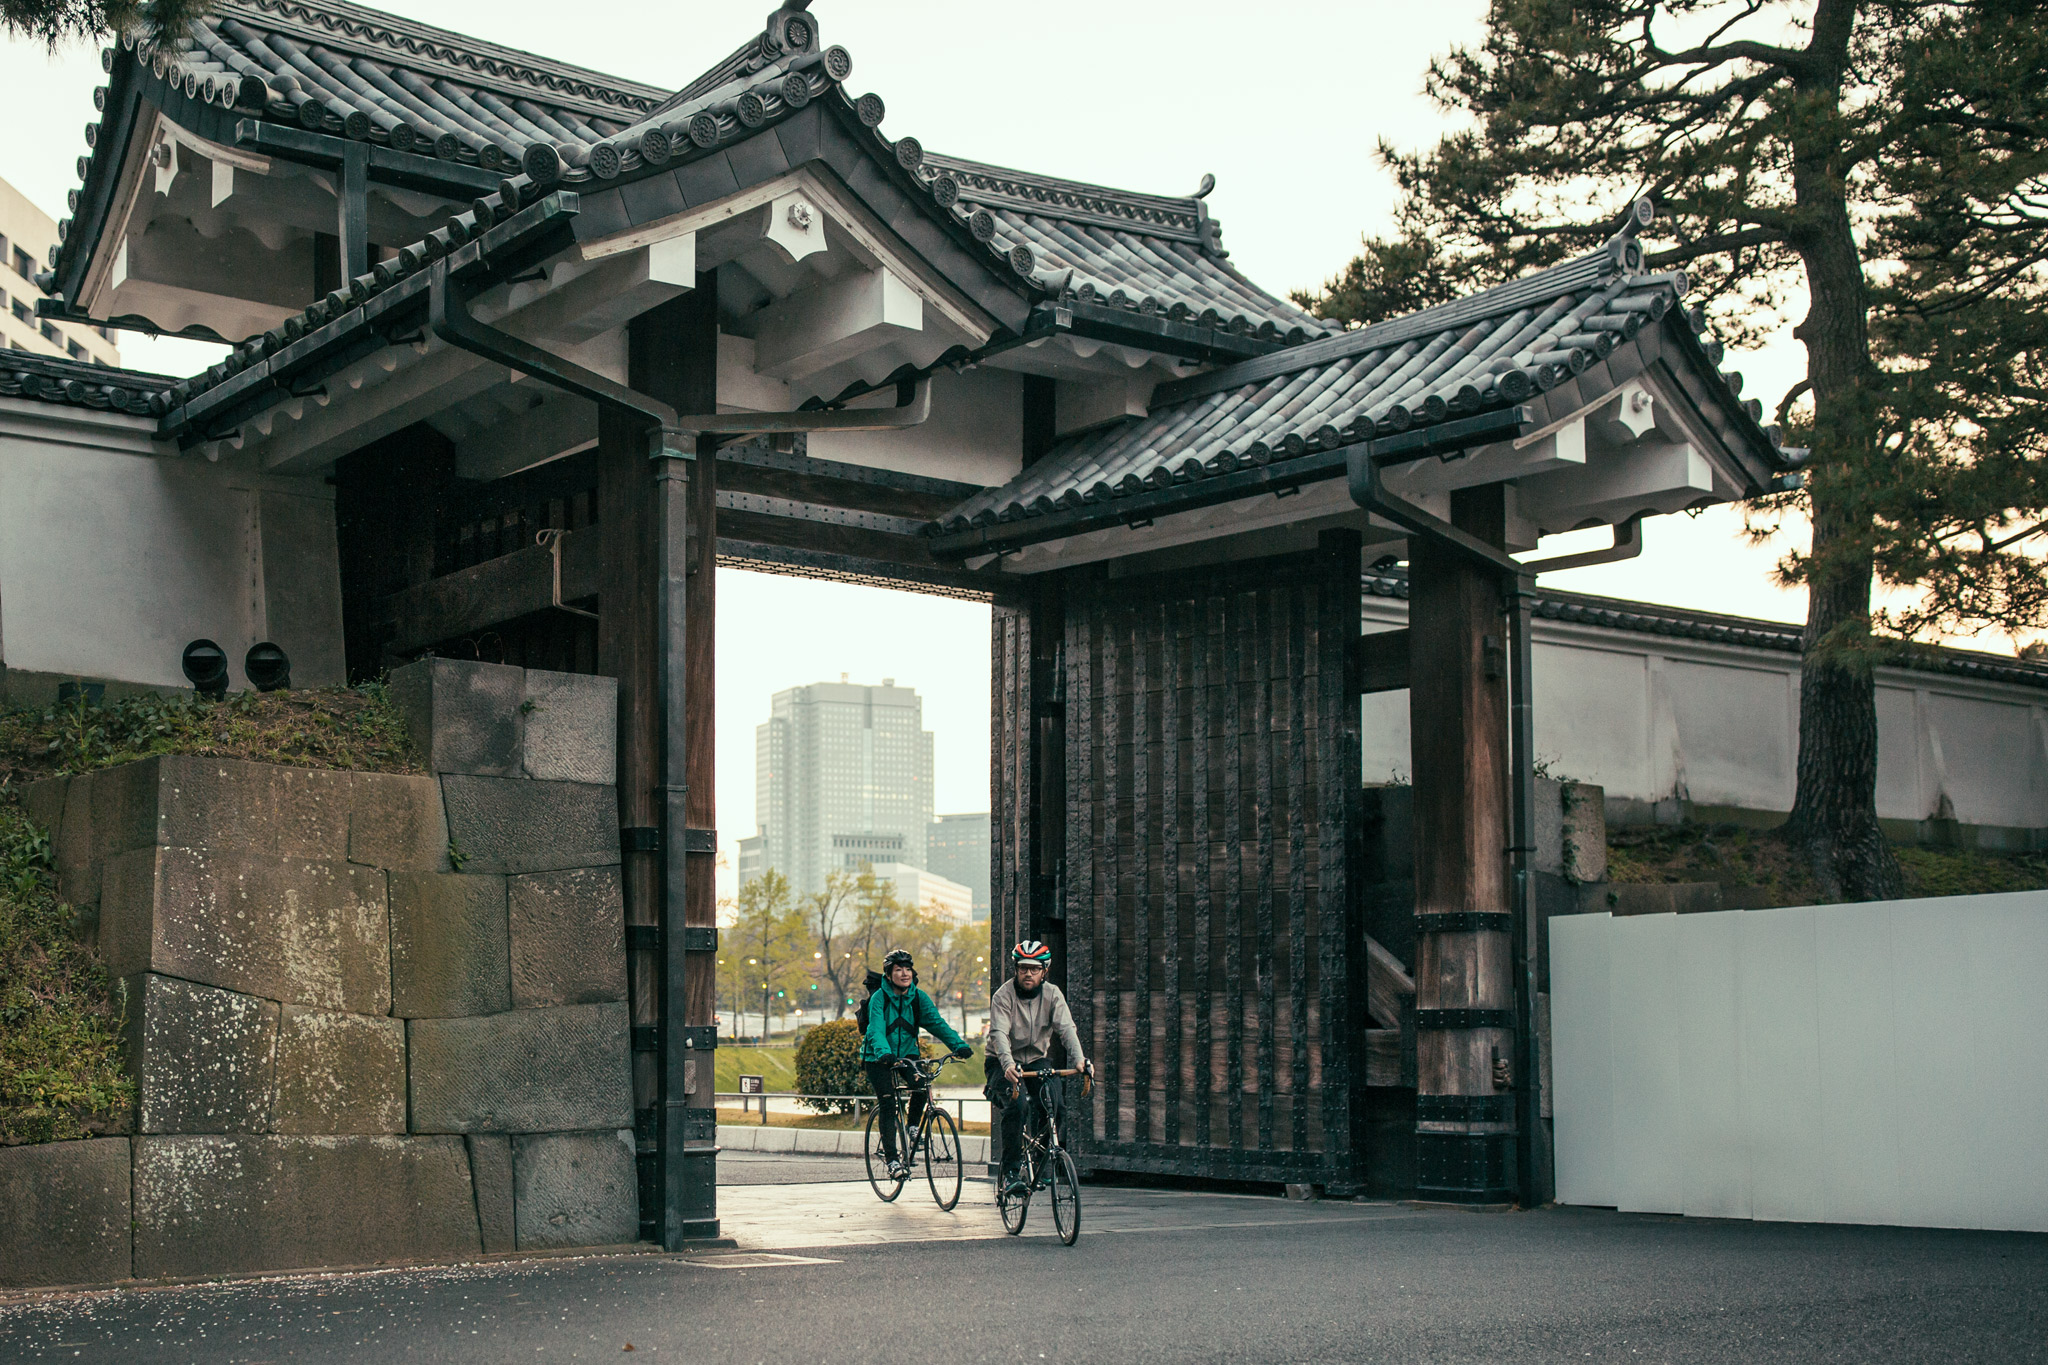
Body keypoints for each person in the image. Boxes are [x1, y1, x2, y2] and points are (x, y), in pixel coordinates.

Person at [985, 939, 1089, 1196]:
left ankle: (1041, 1161)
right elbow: (999, 1034)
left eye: (1034, 969)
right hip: (1001, 1061)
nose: (1028, 973)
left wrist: (1079, 1060)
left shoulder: (1052, 994)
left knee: (1056, 1105)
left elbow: (1066, 1029)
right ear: (1016, 969)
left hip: (1035, 1060)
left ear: (1044, 971)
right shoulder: (1003, 996)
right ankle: (1011, 1173)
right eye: (1023, 968)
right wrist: (1008, 1065)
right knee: (1017, 1106)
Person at [861, 948, 972, 1179]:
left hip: (907, 1053)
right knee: (888, 1103)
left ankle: (913, 1127)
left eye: (908, 969)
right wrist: (884, 1053)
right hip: (877, 1057)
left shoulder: (918, 997)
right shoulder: (879, 998)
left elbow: (937, 1024)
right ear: (888, 975)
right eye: (898, 970)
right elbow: (876, 1029)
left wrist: (959, 1045)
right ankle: (893, 1161)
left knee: (921, 1084)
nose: (904, 973)